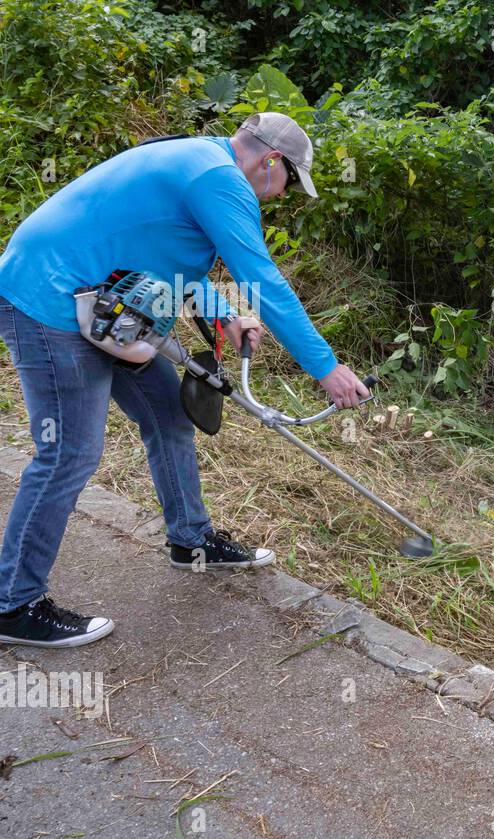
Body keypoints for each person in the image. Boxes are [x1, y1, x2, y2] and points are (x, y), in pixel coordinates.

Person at [0, 113, 371, 648]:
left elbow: (175, 271)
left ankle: (191, 542)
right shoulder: (219, 178)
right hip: (50, 302)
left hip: (109, 308)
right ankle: (14, 605)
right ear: (271, 161)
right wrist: (326, 368)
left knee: (170, 417)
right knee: (68, 453)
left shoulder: (201, 160)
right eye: (289, 181)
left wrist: (224, 318)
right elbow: (262, 278)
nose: (284, 195)